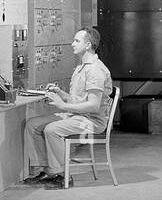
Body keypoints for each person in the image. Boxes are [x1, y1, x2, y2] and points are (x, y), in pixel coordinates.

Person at [23, 27, 113, 189]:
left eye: (77, 41)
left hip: (91, 120)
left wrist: (63, 105)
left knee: (52, 129)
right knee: (33, 125)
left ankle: (63, 175)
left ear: (88, 45)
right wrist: (60, 93)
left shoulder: (95, 70)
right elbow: (78, 100)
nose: (72, 44)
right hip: (77, 115)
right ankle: (48, 170)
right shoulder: (82, 67)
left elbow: (93, 105)